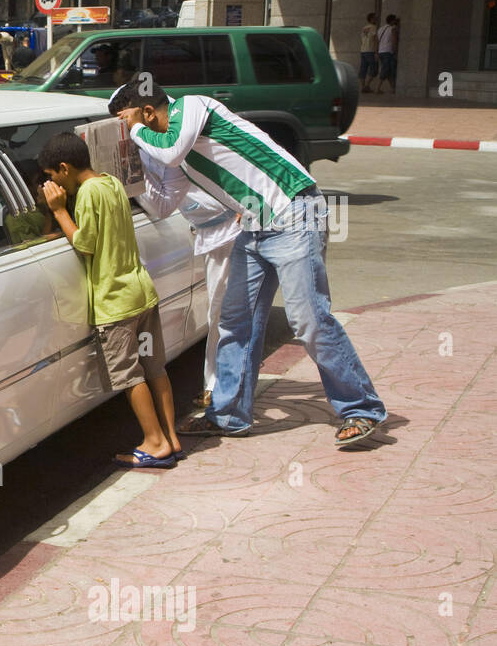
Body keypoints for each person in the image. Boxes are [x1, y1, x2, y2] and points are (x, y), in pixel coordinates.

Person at [109, 76, 386, 446]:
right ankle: (229, 414)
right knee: (235, 322)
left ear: (146, 111)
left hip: (294, 211)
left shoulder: (192, 106)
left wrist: (137, 133)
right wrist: (124, 174)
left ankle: (361, 409)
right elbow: (161, 204)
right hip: (254, 226)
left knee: (309, 321)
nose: (128, 131)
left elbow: (171, 149)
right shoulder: (175, 150)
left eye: (127, 120)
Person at [37, 131, 183, 468]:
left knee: (129, 375)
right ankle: (171, 438)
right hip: (141, 292)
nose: (53, 184)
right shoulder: (111, 182)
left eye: (52, 177)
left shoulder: (86, 194)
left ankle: (154, 442)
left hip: (115, 303)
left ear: (64, 168)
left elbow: (85, 243)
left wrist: (59, 210)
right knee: (154, 366)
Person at [136, 154, 242, 408]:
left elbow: (163, 205)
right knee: (221, 314)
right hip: (213, 233)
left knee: (226, 315)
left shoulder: (173, 139)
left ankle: (222, 391)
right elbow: (160, 203)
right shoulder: (145, 147)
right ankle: (218, 388)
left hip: (232, 230)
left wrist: (248, 203)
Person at [375, 14, 398, 93]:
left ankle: (393, 88)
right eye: (395, 20)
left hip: (381, 51)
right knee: (386, 69)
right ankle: (378, 88)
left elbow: (377, 41)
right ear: (392, 21)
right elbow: (394, 40)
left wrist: (376, 52)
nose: (396, 22)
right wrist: (395, 51)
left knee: (388, 70)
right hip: (388, 52)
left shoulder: (380, 29)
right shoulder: (393, 28)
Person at [359, 12, 379, 91]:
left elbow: (361, 40)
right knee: (374, 68)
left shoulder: (364, 28)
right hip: (370, 51)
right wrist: (377, 51)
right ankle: (367, 86)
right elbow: (375, 39)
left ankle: (363, 86)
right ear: (371, 19)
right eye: (375, 18)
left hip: (363, 50)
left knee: (363, 68)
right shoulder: (373, 27)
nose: (377, 19)